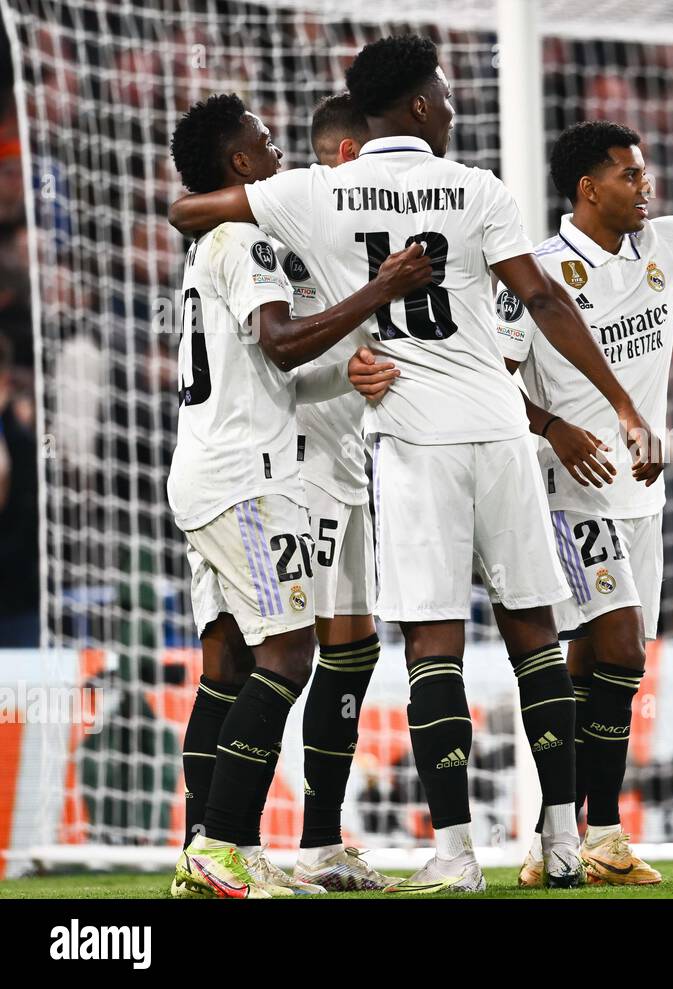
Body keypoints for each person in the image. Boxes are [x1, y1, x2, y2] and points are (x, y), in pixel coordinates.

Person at [169, 35, 656, 892]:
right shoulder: (480, 188)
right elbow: (541, 298)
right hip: (500, 429)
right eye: (446, 89)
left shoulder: (313, 191)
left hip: (409, 435)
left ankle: (455, 853)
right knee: (535, 634)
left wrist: (248, 203)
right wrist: (619, 403)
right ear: (423, 105)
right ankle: (563, 843)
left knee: (434, 644)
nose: (456, 101)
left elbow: (188, 211)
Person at [492, 44, 673, 884]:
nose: (644, 185)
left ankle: (564, 836)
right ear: (588, 187)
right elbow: (493, 385)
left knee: (601, 663)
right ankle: (597, 831)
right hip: (566, 492)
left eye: (644, 172)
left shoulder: (665, 245)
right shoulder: (537, 273)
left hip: (639, 497)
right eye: (629, 173)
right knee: (615, 647)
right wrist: (552, 427)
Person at [164, 92, 432, 898]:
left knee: (243, 656)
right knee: (284, 653)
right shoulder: (243, 235)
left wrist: (344, 375)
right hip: (247, 478)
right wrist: (379, 291)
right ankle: (223, 846)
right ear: (239, 162)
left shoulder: (229, 239)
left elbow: (276, 369)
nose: (279, 152)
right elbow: (279, 343)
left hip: (236, 467)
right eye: (266, 141)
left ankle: (207, 851)